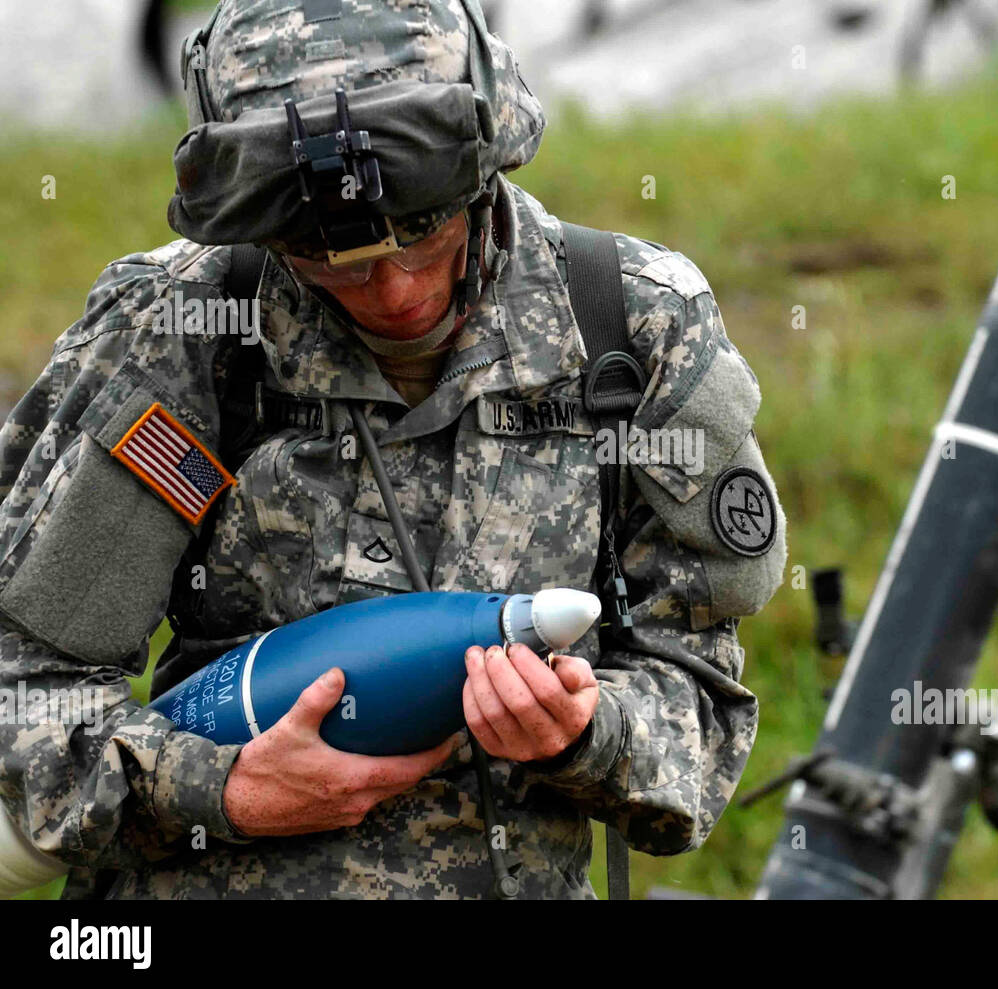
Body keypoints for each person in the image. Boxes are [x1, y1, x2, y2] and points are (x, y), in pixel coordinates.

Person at [0, 0, 785, 899]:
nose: (393, 288)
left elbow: (700, 710)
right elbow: (26, 681)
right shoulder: (184, 333)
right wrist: (220, 790)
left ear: (481, 162)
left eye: (424, 225)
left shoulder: (629, 330)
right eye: (325, 255)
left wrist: (584, 731)